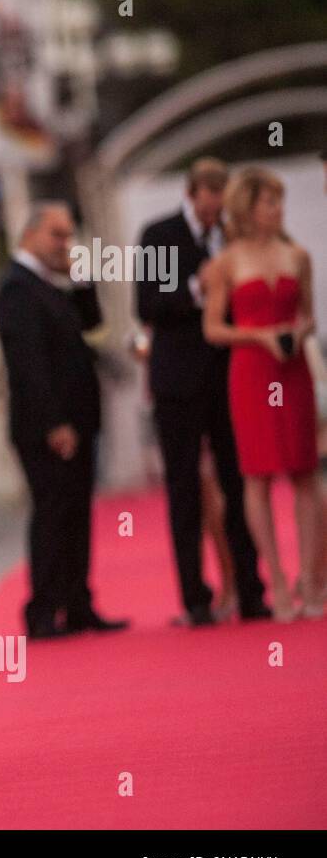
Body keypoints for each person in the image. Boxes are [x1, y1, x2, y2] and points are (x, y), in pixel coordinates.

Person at [137, 158, 269, 625]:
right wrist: (200, 287)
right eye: (209, 203)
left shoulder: (232, 236)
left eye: (221, 205)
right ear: (193, 194)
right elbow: (148, 304)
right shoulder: (161, 235)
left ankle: (251, 590)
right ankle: (195, 597)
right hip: (177, 381)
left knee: (238, 481)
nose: (215, 213)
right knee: (184, 489)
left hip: (229, 376)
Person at [0, 202, 128, 639]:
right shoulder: (16, 288)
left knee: (75, 514)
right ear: (30, 233)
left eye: (68, 235)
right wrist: (54, 423)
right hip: (47, 428)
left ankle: (77, 604)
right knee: (53, 514)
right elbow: (27, 365)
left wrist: (82, 278)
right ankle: (42, 610)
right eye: (57, 235)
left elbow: (92, 324)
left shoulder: (51, 285)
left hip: (78, 420)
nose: (65, 244)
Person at [202, 167, 320, 621]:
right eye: (270, 201)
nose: (278, 210)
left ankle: (310, 582)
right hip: (252, 372)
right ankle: (277, 585)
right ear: (248, 208)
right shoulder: (225, 264)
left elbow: (309, 315)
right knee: (258, 475)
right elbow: (213, 329)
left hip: (293, 371)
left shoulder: (298, 255)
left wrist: (297, 330)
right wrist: (261, 337)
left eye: (280, 202)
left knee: (305, 471)